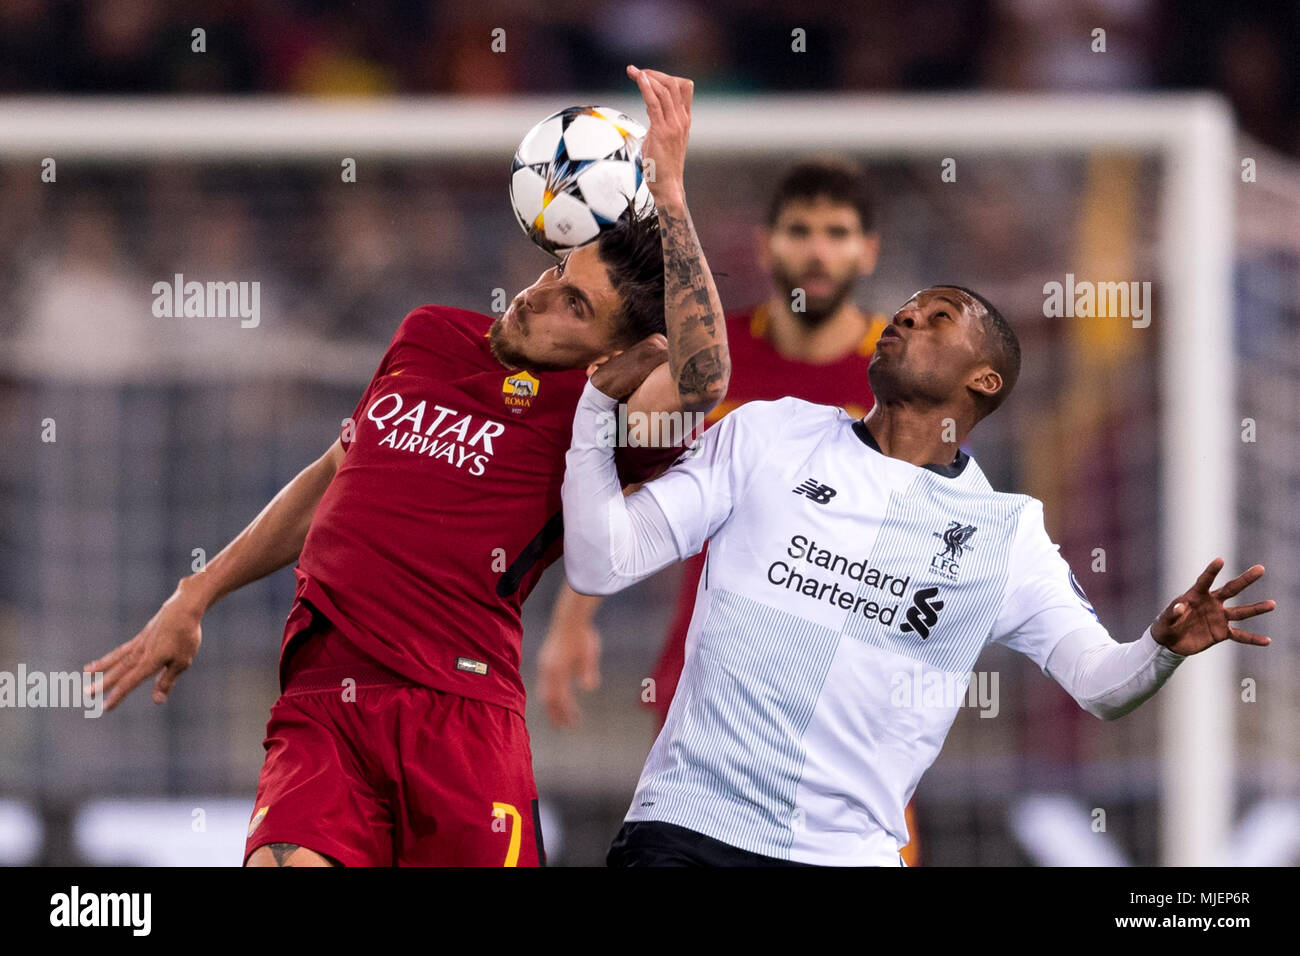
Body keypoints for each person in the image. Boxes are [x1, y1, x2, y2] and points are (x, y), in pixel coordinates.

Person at [83, 66, 730, 867]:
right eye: (557, 271)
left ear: (618, 352)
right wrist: (197, 591)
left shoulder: (598, 417)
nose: (541, 294)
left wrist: (669, 196)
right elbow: (333, 472)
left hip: (461, 721)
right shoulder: (427, 333)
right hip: (324, 700)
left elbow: (704, 378)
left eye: (577, 305)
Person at [560, 284, 1275, 867]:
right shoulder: (766, 433)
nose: (906, 315)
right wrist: (594, 415)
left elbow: (1099, 684)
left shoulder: (1007, 533)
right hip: (687, 832)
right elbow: (604, 559)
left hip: (851, 857)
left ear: (983, 380)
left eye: (938, 318)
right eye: (907, 309)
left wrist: (1159, 648)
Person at [539, 157, 926, 864]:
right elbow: (626, 486)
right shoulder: (709, 365)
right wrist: (573, 622)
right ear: (764, 244)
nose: (817, 249)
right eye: (799, 230)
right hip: (712, 683)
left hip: (852, 705)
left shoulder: (903, 379)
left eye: (837, 233)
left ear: (868, 250)